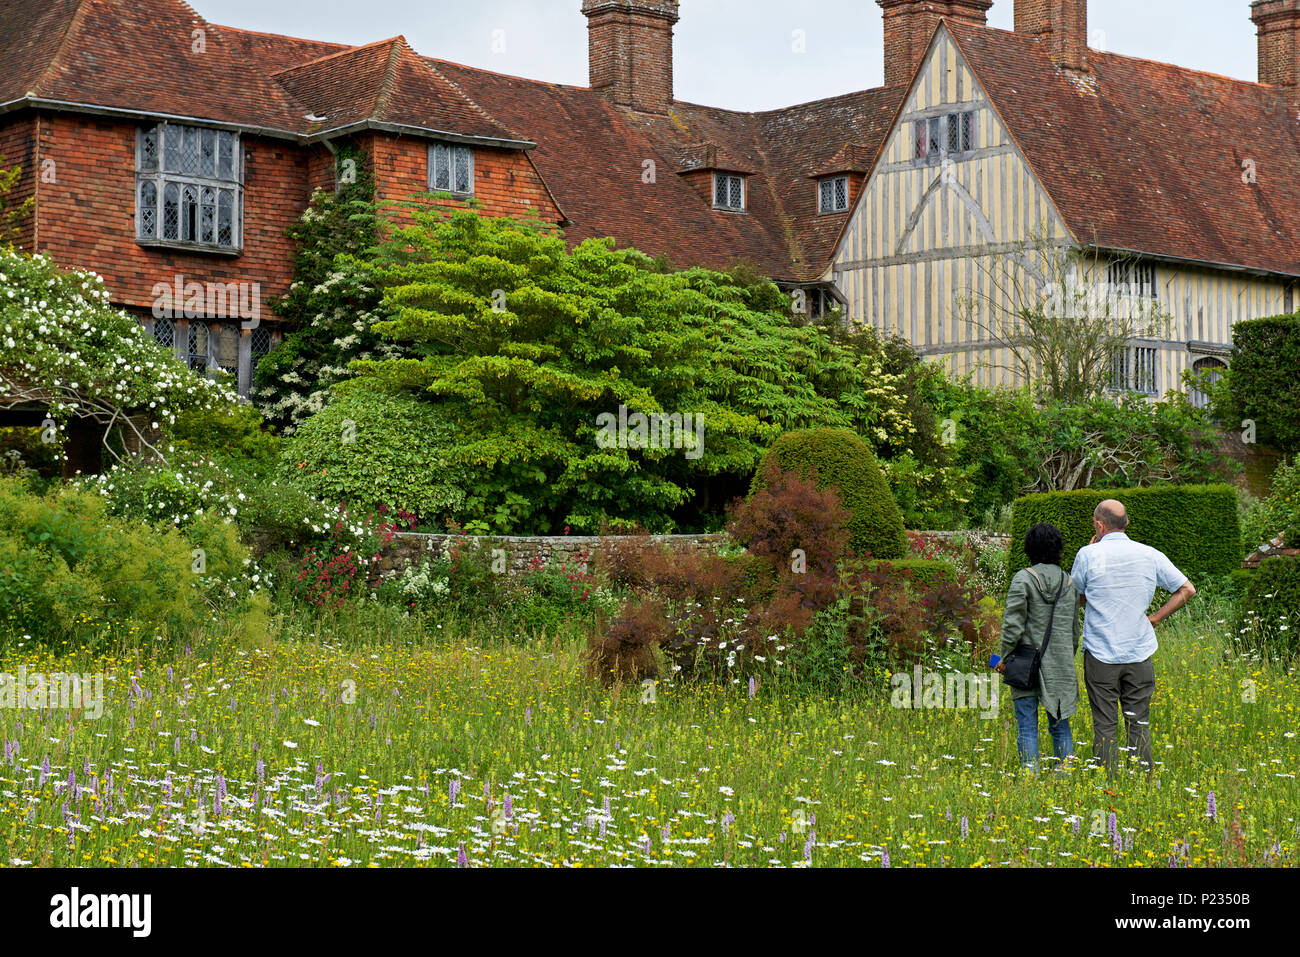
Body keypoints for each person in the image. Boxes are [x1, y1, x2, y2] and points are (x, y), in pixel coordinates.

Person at [1070, 499, 1196, 773]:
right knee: (1138, 720)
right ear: (1126, 524)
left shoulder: (1088, 555)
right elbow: (1187, 589)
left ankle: (1108, 781)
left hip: (1101, 653)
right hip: (1139, 651)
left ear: (1099, 526)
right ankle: (1142, 780)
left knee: (1104, 722)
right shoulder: (1150, 554)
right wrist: (1155, 618)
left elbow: (1076, 596)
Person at [996, 523, 1080, 770]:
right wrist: (1066, 656)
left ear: (1029, 548)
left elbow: (1012, 626)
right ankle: (1064, 778)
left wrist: (1005, 657)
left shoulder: (1023, 579)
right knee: (1060, 725)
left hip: (1025, 665)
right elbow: (1074, 631)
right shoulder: (1069, 583)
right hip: (1060, 665)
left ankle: (1028, 780)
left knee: (1027, 726)